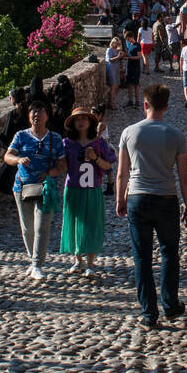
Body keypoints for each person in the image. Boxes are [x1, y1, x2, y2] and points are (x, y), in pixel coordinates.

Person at [116, 83, 187, 328]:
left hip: (138, 198)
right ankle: (171, 305)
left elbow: (121, 174)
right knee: (169, 253)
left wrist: (120, 200)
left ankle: (149, 314)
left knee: (142, 258)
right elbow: (184, 177)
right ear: (167, 107)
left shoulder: (129, 133)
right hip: (166, 198)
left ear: (145, 104)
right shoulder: (176, 136)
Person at [4, 101, 67, 282]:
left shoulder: (55, 138)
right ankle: (33, 261)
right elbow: (7, 156)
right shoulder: (21, 136)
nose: (36, 115)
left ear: (47, 116)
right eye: (33, 112)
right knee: (27, 228)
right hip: (22, 187)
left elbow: (62, 164)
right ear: (29, 116)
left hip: (46, 188)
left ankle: (38, 264)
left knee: (41, 227)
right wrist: (18, 159)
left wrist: (49, 173)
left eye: (40, 112)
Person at [60, 107, 116, 277]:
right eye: (77, 119)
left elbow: (108, 166)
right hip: (73, 189)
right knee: (74, 224)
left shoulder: (99, 143)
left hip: (92, 189)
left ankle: (90, 263)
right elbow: (61, 165)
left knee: (91, 224)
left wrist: (95, 158)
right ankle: (78, 260)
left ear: (91, 122)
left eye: (84, 118)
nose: (81, 122)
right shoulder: (66, 144)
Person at [105, 37, 125, 110]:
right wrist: (118, 57)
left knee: (115, 87)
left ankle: (110, 102)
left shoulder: (116, 50)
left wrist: (121, 57)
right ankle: (111, 104)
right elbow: (109, 59)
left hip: (116, 69)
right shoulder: (109, 49)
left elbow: (119, 60)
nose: (117, 45)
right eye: (116, 43)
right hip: (111, 69)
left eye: (118, 44)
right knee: (113, 86)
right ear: (112, 43)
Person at [125, 29, 142, 108]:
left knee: (136, 85)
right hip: (129, 67)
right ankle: (130, 101)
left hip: (135, 68)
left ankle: (137, 101)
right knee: (130, 85)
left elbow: (139, 56)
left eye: (128, 39)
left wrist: (130, 58)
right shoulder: (130, 45)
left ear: (131, 37)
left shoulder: (137, 45)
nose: (127, 41)